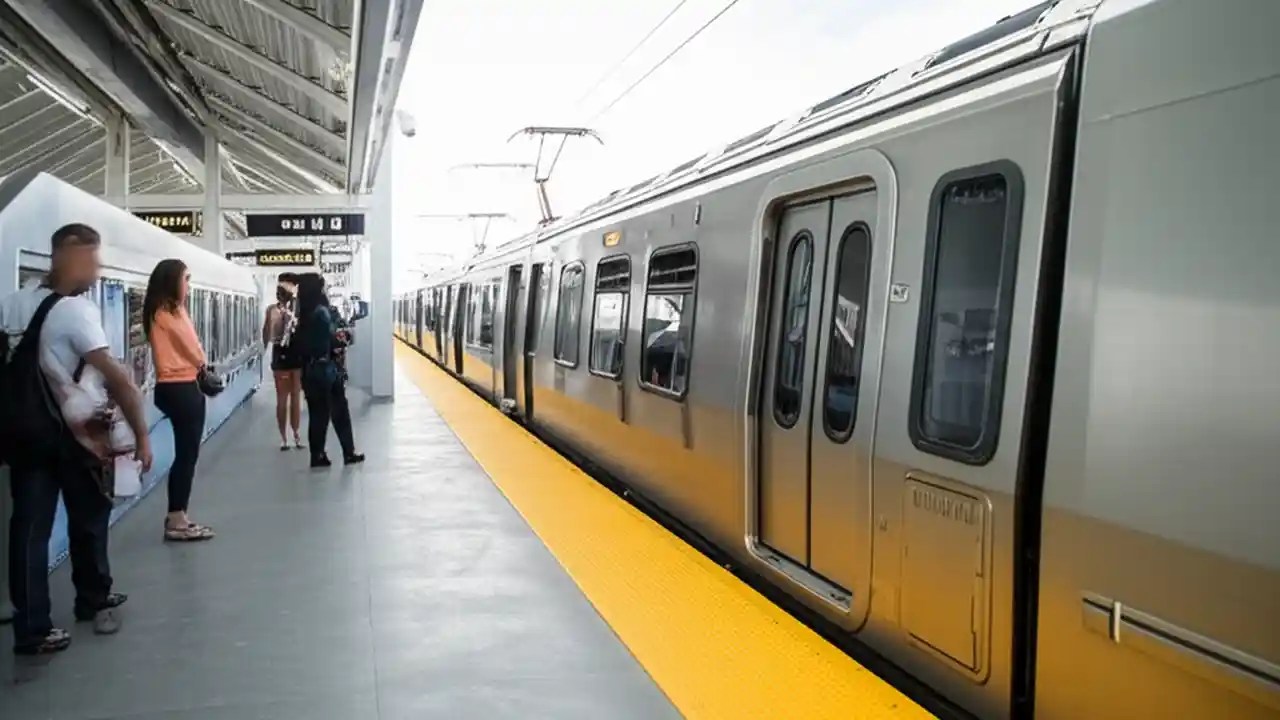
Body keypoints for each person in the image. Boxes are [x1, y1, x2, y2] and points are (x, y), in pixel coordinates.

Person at [0, 223, 153, 654]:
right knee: (90, 518)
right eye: (94, 257)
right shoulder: (74, 311)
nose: (98, 267)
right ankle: (92, 597)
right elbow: (118, 379)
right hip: (75, 437)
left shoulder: (11, 305)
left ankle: (31, 627)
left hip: (26, 435)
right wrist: (141, 435)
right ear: (72, 254)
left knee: (28, 530)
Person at [144, 259, 214, 542]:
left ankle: (179, 514)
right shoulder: (166, 312)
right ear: (172, 280)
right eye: (186, 278)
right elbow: (191, 345)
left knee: (187, 454)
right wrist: (203, 364)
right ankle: (176, 519)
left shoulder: (165, 311)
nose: (188, 285)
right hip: (180, 386)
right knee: (187, 455)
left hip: (178, 387)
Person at [295, 274, 364, 469]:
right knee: (340, 412)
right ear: (318, 290)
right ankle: (349, 452)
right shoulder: (322, 313)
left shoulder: (304, 314)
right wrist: (342, 337)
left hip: (310, 372)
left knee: (317, 416)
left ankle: (317, 455)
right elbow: (333, 339)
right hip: (327, 370)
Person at [262, 273, 303, 451]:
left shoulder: (272, 310)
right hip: (294, 357)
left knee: (284, 398)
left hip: (280, 357)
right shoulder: (299, 309)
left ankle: (285, 437)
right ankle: (294, 435)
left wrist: (264, 351)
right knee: (294, 397)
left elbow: (267, 335)